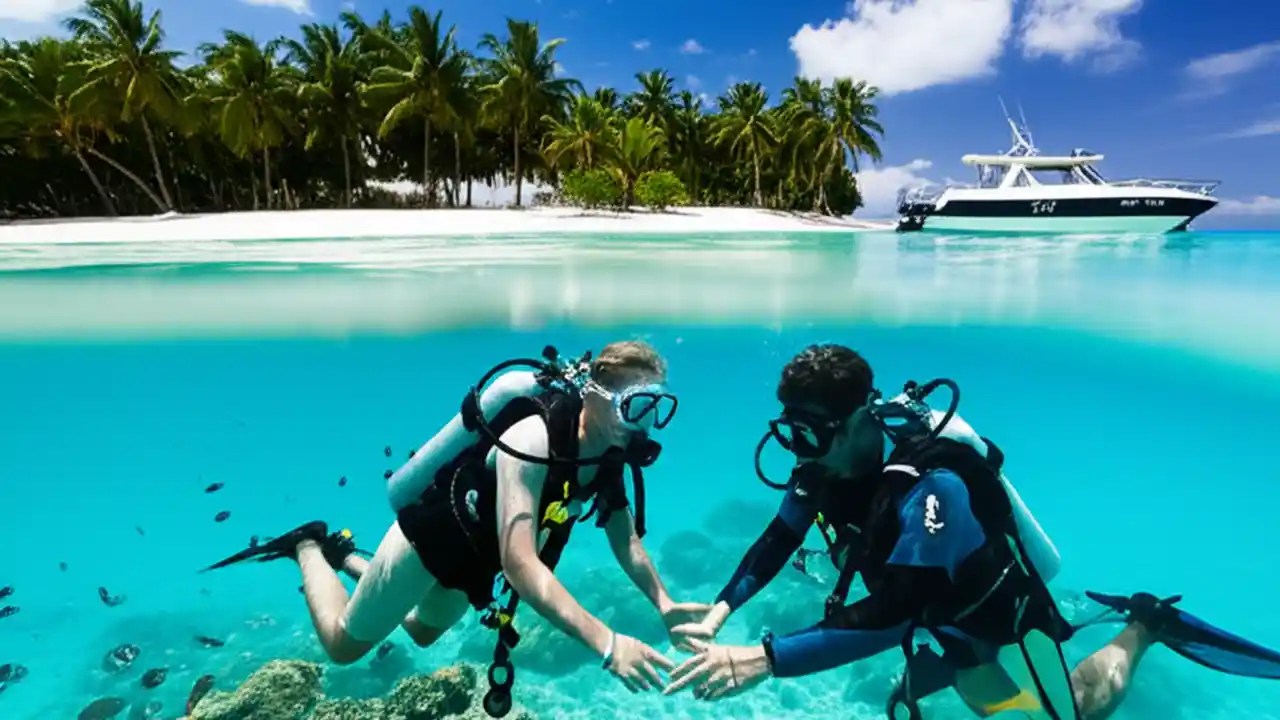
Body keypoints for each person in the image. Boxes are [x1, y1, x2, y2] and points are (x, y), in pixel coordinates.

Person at [663, 343, 1280, 719]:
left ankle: (1144, 626)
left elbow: (900, 610)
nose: (799, 450)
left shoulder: (933, 481)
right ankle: (959, 666)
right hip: (940, 615)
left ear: (857, 420)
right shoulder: (820, 466)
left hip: (995, 611)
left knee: (1070, 712)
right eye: (790, 430)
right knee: (987, 705)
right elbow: (777, 539)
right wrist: (720, 610)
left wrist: (764, 660)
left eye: (812, 433)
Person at [203, 341, 710, 717]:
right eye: (636, 405)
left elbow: (625, 539)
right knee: (343, 647)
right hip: (431, 540)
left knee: (421, 633)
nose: (643, 422)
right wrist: (605, 642)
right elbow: (520, 562)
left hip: (474, 560)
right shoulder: (534, 437)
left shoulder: (608, 455)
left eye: (656, 407)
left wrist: (663, 603)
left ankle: (346, 557)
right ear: (595, 395)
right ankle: (309, 544)